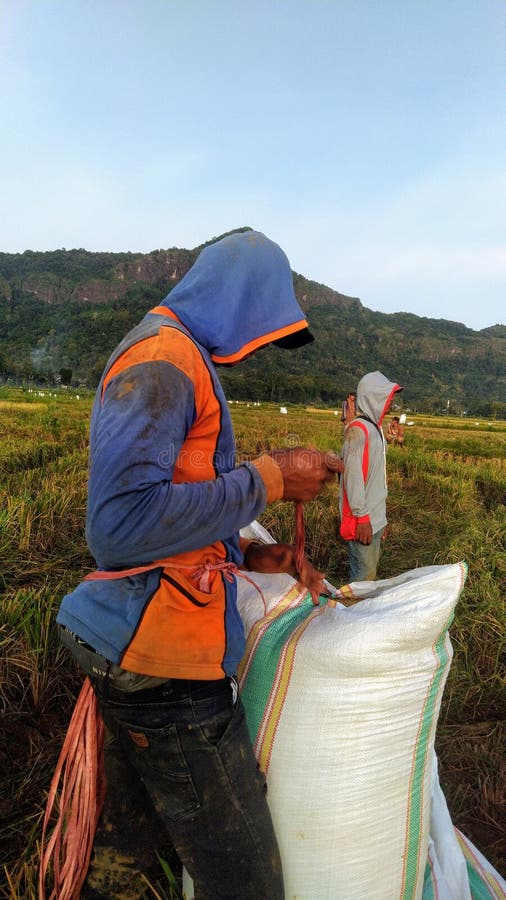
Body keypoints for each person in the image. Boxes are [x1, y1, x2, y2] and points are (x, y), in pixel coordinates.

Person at [56, 230, 342, 900]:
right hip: (164, 670)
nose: (260, 347)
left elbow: (171, 507)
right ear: (237, 298)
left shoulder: (182, 358)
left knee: (129, 852)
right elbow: (121, 527)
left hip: (136, 646)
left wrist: (248, 552)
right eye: (264, 326)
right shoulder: (163, 361)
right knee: (246, 882)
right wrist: (269, 479)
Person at [338, 371, 403, 582]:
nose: (391, 400)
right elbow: (353, 478)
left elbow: (376, 481)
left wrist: (380, 521)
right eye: (387, 395)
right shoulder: (357, 431)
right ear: (374, 397)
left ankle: (358, 611)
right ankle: (352, 614)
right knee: (362, 580)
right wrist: (363, 517)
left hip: (374, 519)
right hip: (362, 521)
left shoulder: (376, 429)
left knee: (369, 574)